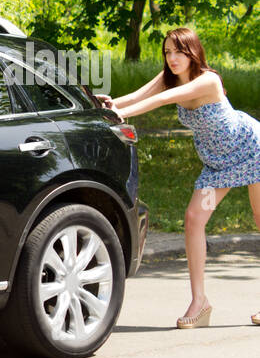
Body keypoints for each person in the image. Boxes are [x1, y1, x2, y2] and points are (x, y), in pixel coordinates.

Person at [98, 26, 260, 329]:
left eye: (179, 51)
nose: (172, 58)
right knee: (194, 218)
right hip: (218, 167)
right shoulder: (169, 76)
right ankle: (200, 303)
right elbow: (140, 95)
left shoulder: (208, 80)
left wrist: (123, 113)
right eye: (167, 52)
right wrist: (108, 105)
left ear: (193, 51)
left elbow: (160, 101)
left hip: (253, 150)